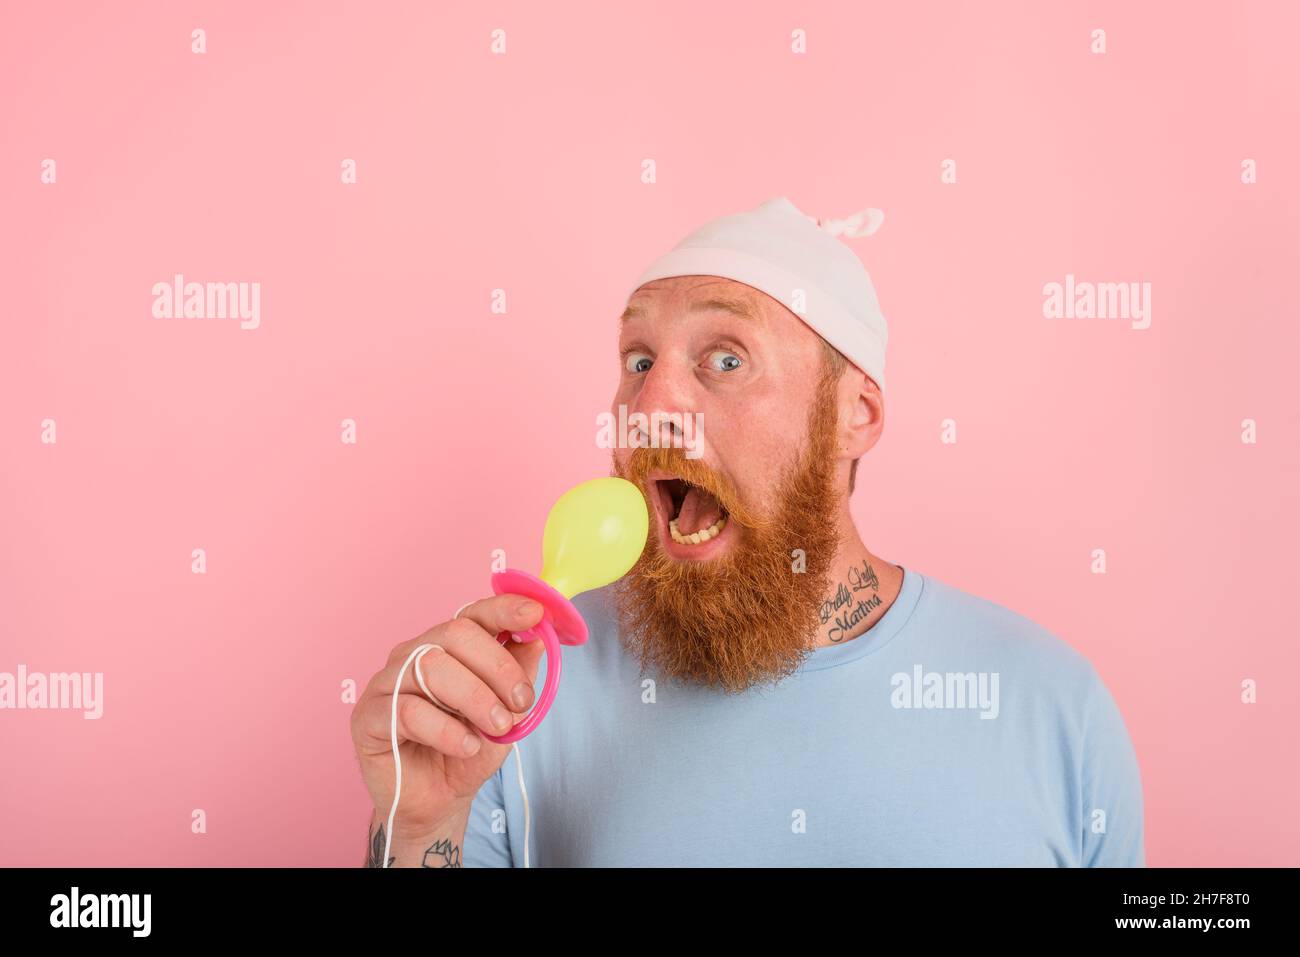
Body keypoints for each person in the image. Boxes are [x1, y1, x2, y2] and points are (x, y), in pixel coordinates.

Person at [350, 197, 1145, 867]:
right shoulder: (513, 698)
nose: (651, 402)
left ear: (853, 415)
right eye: (636, 359)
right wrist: (419, 829)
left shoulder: (1054, 707)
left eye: (725, 360)